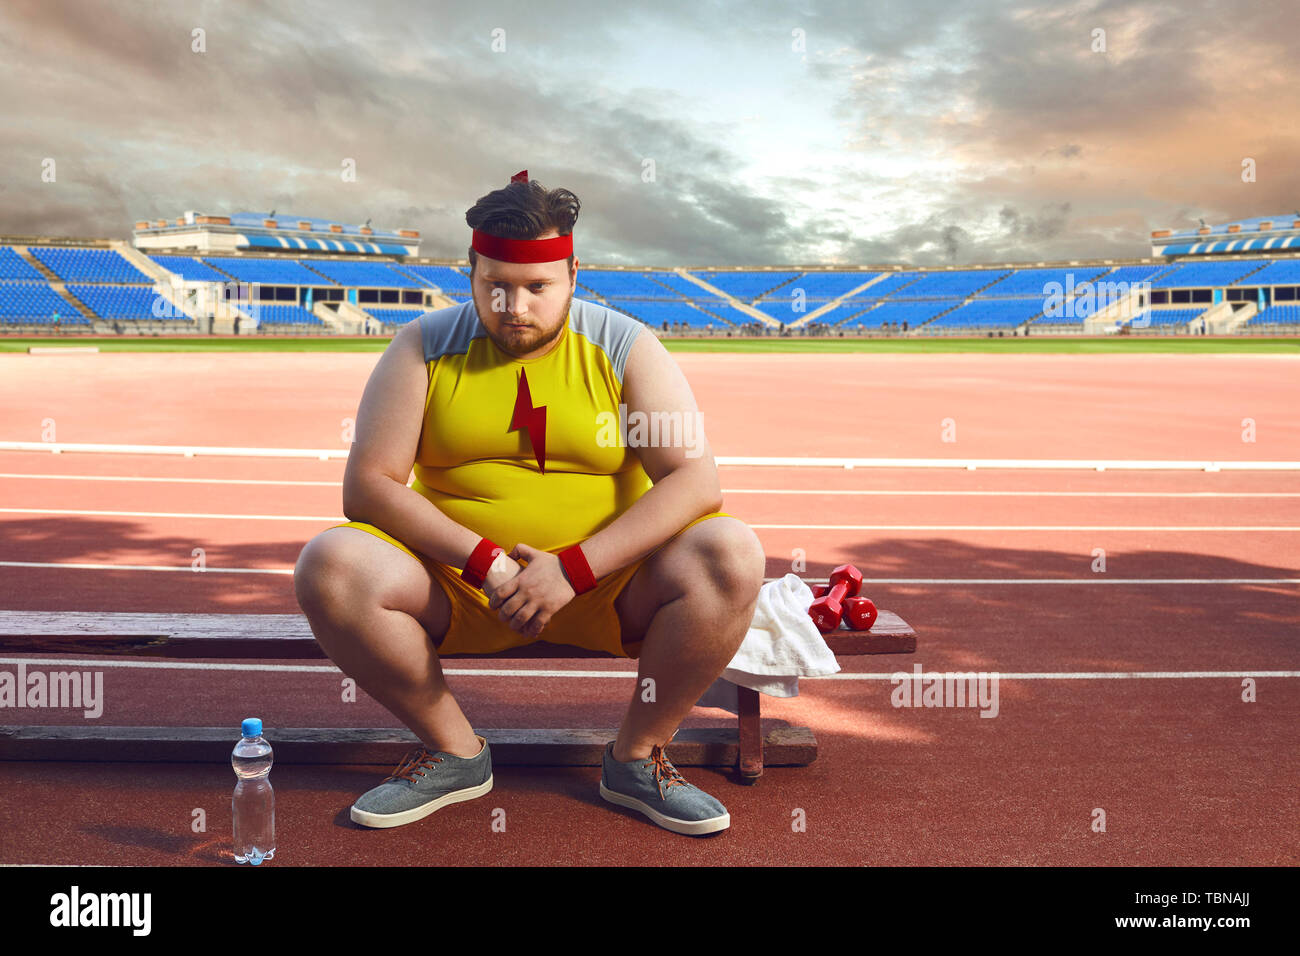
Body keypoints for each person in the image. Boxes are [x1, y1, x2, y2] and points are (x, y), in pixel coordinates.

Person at [293, 171, 764, 836]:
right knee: (330, 562)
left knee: (731, 551)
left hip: (605, 591)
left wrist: (573, 569)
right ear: (471, 271)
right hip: (460, 588)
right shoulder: (422, 348)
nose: (514, 305)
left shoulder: (627, 347)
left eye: (536, 287)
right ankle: (453, 750)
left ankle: (637, 757)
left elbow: (696, 480)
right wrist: (486, 562)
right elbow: (368, 486)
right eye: (495, 285)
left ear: (574, 273)